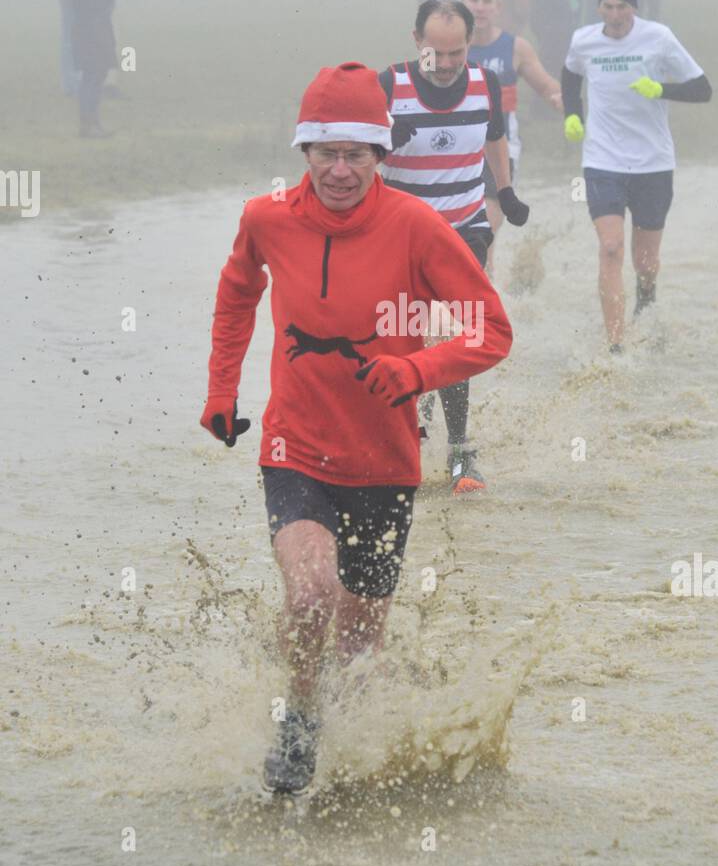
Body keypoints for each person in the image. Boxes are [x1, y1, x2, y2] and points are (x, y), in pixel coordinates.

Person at [200, 62, 512, 793]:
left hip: (384, 463)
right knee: (309, 598)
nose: (340, 170)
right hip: (295, 447)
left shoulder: (417, 227)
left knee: (361, 642)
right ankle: (299, 722)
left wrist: (414, 373)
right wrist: (221, 391)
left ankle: (364, 766)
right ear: (303, 152)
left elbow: (491, 330)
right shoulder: (266, 217)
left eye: (356, 154)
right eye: (326, 153)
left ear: (380, 154)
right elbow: (235, 297)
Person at [377, 0, 529, 492]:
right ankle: (407, 423)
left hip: (465, 228)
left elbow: (496, 137)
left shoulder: (485, 84)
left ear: (470, 42)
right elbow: (349, 156)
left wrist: (504, 191)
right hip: (400, 234)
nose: (444, 64)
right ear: (417, 41)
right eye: (435, 53)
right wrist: (382, 141)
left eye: (456, 53)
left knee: (449, 334)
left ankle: (461, 454)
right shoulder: (388, 87)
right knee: (404, 332)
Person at [561, 0, 712, 351]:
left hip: (653, 163)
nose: (615, 16)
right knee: (611, 247)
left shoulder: (658, 38)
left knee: (645, 260)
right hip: (602, 160)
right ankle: (616, 344)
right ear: (599, 8)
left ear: (634, 8)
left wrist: (661, 89)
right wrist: (572, 114)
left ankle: (647, 296)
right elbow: (569, 75)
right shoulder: (584, 41)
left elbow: (703, 89)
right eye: (608, 7)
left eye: (622, 7)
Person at [463, 0, 561, 269]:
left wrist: (568, 105)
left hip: (500, 151)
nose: (480, 6)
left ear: (498, 7)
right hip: (457, 152)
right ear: (463, 3)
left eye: (486, 1)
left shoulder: (515, 47)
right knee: (461, 237)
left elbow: (547, 88)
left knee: (484, 235)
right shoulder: (447, 48)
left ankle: (485, 307)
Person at [56, 0, 121, 138]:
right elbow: (92, 5)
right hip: (91, 34)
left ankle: (93, 122)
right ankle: (88, 124)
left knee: (96, 76)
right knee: (92, 78)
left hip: (92, 33)